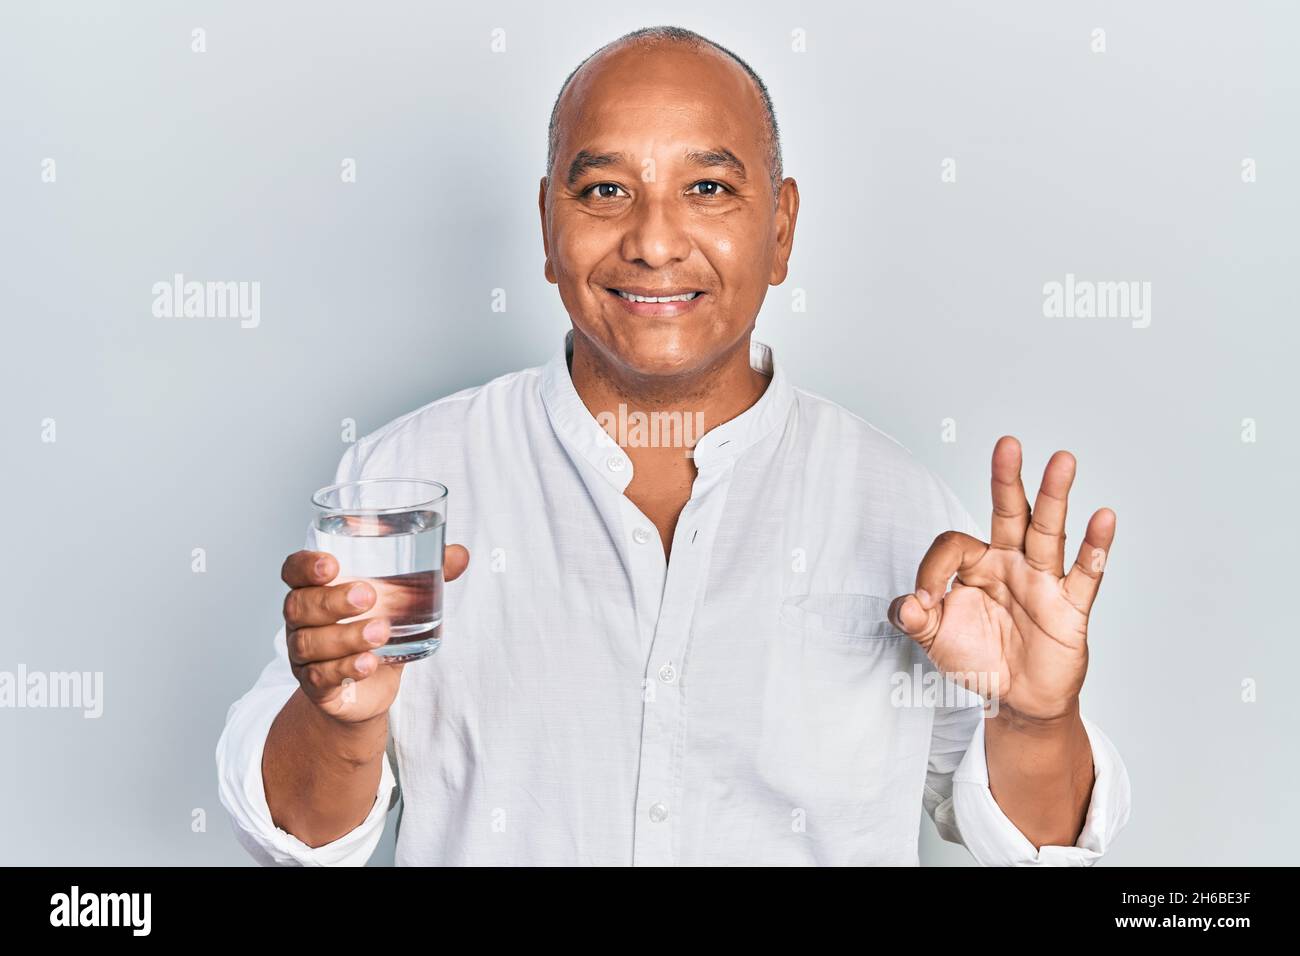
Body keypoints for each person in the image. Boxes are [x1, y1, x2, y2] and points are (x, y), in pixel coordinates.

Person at [216, 25, 1131, 866]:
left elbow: (1031, 843)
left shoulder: (903, 509)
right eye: (606, 189)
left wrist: (1037, 720)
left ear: (780, 229)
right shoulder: (407, 485)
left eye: (708, 189)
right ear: (546, 224)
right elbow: (299, 833)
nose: (654, 242)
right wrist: (340, 723)